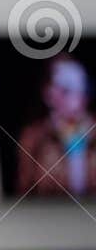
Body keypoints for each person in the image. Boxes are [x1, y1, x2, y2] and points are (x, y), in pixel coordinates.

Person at [16, 54, 94, 197]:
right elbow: (24, 195)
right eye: (67, 90)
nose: (77, 99)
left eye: (82, 89)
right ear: (48, 93)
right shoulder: (33, 138)